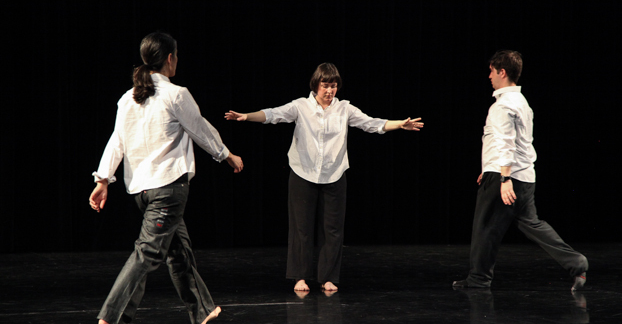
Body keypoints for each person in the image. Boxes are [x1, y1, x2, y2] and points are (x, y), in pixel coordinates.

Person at [89, 32, 243, 324]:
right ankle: (112, 314)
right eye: (176, 57)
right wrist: (227, 155)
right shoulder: (176, 94)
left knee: (178, 249)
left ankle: (201, 310)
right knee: (147, 253)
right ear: (170, 58)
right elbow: (201, 129)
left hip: (142, 192)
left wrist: (103, 180)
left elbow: (116, 142)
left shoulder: (128, 97)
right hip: (169, 188)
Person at [225, 63, 423, 292]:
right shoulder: (301, 106)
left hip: (334, 174)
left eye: (334, 86)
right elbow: (273, 114)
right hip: (303, 173)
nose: (330, 91)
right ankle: (300, 276)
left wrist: (401, 124)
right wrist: (246, 116)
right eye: (326, 86)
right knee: (302, 228)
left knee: (333, 229)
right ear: (316, 85)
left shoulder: (345, 109)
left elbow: (372, 124)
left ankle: (327, 277)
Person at [452, 50, 588, 292]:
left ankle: (479, 279)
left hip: (508, 177)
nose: (489, 76)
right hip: (525, 177)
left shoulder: (502, 105)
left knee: (485, 228)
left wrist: (503, 177)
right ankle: (576, 263)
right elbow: (515, 142)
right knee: (533, 224)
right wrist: (490, 169)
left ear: (502, 72)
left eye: (492, 71)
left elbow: (506, 142)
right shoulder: (522, 102)